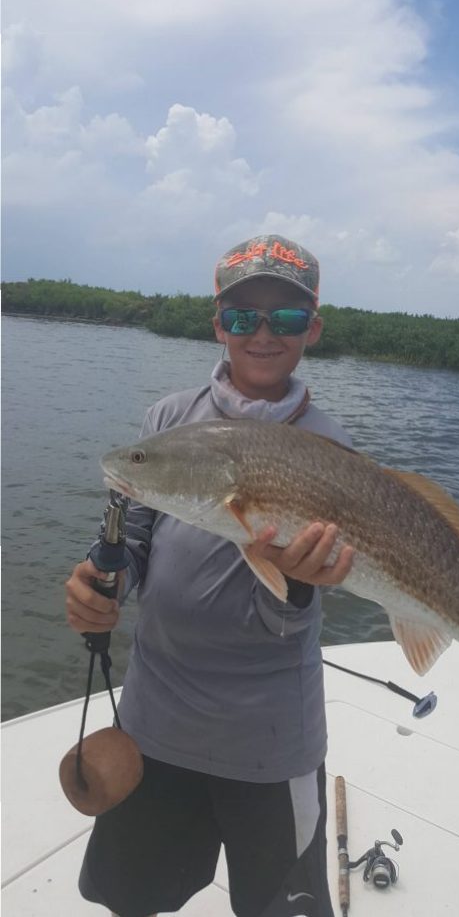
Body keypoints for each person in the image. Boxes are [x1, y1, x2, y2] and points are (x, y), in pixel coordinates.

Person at [65, 234, 355, 917]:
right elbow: (132, 536)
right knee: (132, 898)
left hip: (269, 742)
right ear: (218, 323)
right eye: (242, 315)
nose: (262, 333)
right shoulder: (168, 418)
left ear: (312, 328)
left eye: (285, 317)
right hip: (153, 723)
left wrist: (299, 583)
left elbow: (288, 618)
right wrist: (101, 581)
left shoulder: (330, 447)